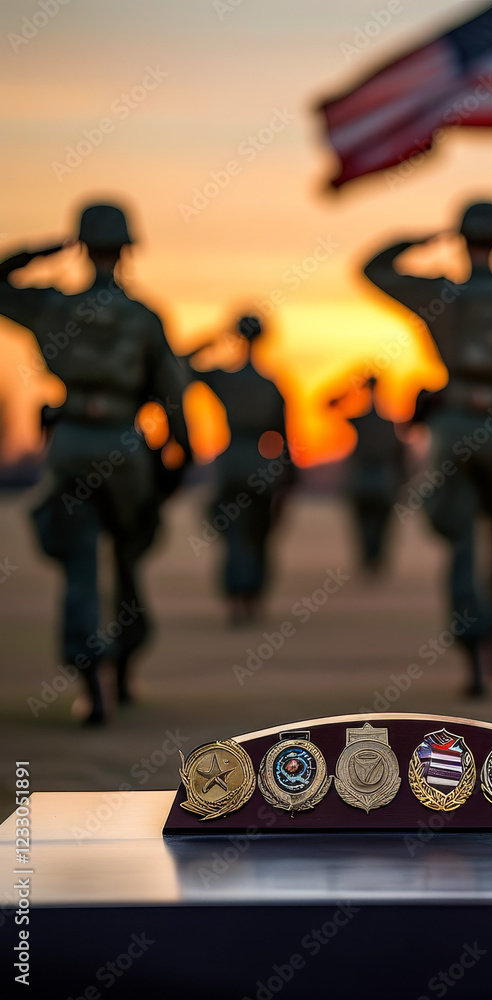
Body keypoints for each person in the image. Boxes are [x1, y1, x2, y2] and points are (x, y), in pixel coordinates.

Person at [363, 200, 492, 696]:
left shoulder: (441, 296)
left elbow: (373, 269)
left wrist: (424, 238)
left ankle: (474, 655)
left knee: (460, 544)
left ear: (462, 240)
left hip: (452, 429)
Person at [0, 201, 192, 723]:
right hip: (125, 447)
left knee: (81, 564)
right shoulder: (144, 316)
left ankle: (91, 681)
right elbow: (173, 392)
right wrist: (180, 453)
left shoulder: (54, 308)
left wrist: (41, 251)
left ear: (82, 246)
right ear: (127, 249)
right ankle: (125, 669)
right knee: (127, 562)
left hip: (72, 444)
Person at [184, 315, 289, 625]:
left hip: (231, 462)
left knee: (234, 535)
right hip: (262, 463)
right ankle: (252, 597)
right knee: (258, 536)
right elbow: (283, 434)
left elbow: (184, 366)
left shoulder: (225, 378)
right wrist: (285, 475)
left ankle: (237, 598)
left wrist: (214, 339)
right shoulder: (270, 383)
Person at [330, 376, 405, 573]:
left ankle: (370, 561)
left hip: (366, 478)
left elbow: (331, 405)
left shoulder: (365, 421)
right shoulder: (388, 423)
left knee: (366, 525)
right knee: (378, 525)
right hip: (380, 479)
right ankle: (373, 562)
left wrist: (353, 389)